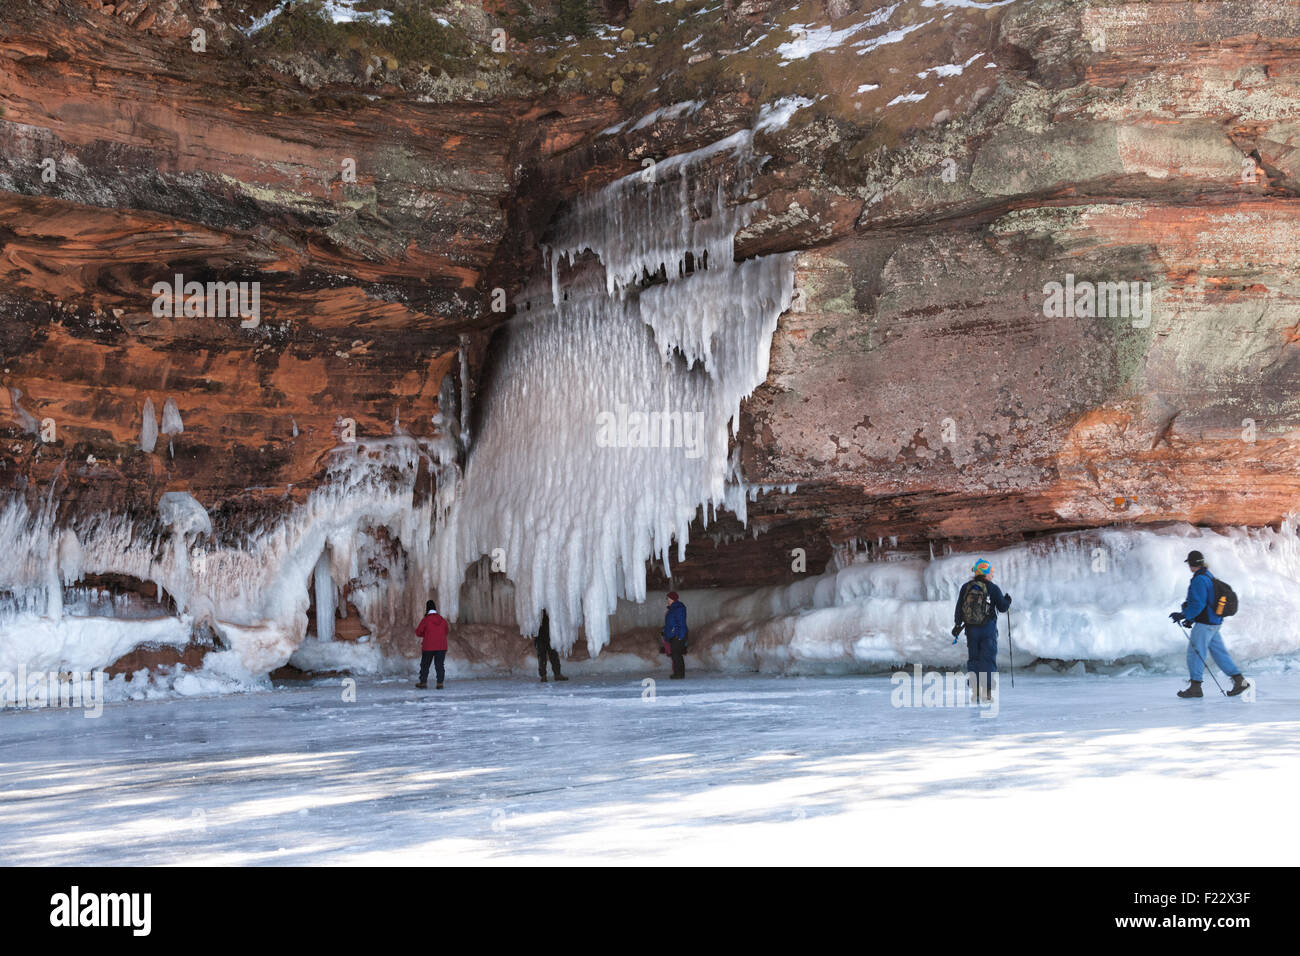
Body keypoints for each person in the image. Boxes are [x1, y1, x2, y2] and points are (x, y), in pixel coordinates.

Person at [1170, 550, 1250, 698]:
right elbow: (1206, 602)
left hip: (1205, 624)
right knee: (1220, 654)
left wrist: (1184, 615)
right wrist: (1190, 618)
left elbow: (1198, 604)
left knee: (1195, 653)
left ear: (1191, 564)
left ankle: (1195, 687)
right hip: (1214, 622)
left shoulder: (1199, 580)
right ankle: (1240, 681)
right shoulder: (1208, 575)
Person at [952, 559, 1011, 702]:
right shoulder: (992, 588)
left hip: (971, 630)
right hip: (988, 629)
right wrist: (1008, 600)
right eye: (991, 572)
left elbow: (959, 607)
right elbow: (1003, 608)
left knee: (974, 659)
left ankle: (975, 691)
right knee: (988, 659)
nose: (992, 575)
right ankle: (987, 693)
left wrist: (957, 625)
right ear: (985, 573)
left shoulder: (966, 587)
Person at [415, 599, 449, 690]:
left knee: (425, 665)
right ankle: (440, 683)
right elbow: (446, 631)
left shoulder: (426, 620)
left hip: (428, 646)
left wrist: (426, 635)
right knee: (439, 665)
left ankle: (423, 682)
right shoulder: (442, 619)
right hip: (442, 646)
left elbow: (418, 632)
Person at [534, 610, 568, 683]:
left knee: (551, 655)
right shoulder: (539, 611)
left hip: (548, 636)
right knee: (544, 656)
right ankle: (545, 676)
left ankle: (555, 674)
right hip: (542, 636)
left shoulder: (549, 610)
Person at [663, 591, 688, 680]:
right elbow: (670, 623)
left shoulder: (678, 608)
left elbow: (681, 623)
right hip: (674, 635)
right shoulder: (673, 609)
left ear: (673, 599)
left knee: (676, 655)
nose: (668, 600)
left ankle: (679, 674)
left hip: (677, 635)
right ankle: (679, 673)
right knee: (676, 655)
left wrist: (680, 636)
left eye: (669, 599)